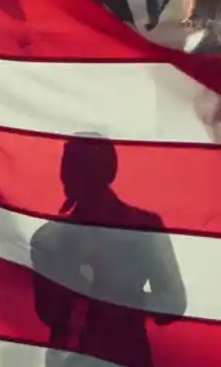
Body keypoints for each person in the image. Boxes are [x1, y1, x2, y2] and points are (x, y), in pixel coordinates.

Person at [30, 137, 185, 367]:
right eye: (68, 165)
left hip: (125, 358)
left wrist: (118, 298)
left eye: (78, 166)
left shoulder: (143, 226)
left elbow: (173, 305)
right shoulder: (48, 238)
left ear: (104, 172)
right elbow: (48, 312)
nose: (68, 174)